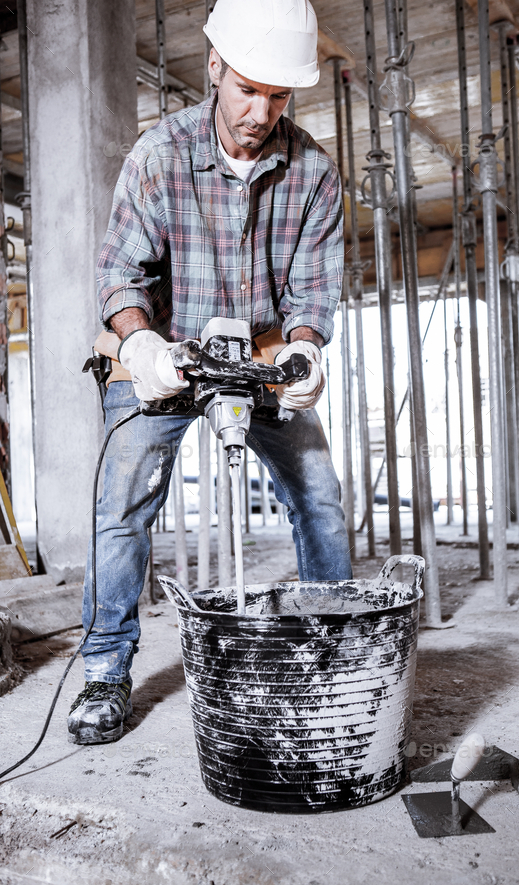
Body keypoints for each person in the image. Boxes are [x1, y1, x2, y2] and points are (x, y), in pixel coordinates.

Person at [67, 0, 352, 746]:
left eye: (278, 95)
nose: (261, 111)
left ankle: (333, 652)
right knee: (120, 503)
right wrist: (140, 350)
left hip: (256, 356)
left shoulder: (314, 172)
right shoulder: (158, 156)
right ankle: (103, 670)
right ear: (215, 67)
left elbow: (311, 293)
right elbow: (120, 278)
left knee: (319, 493)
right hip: (167, 353)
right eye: (248, 88)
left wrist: (306, 349)